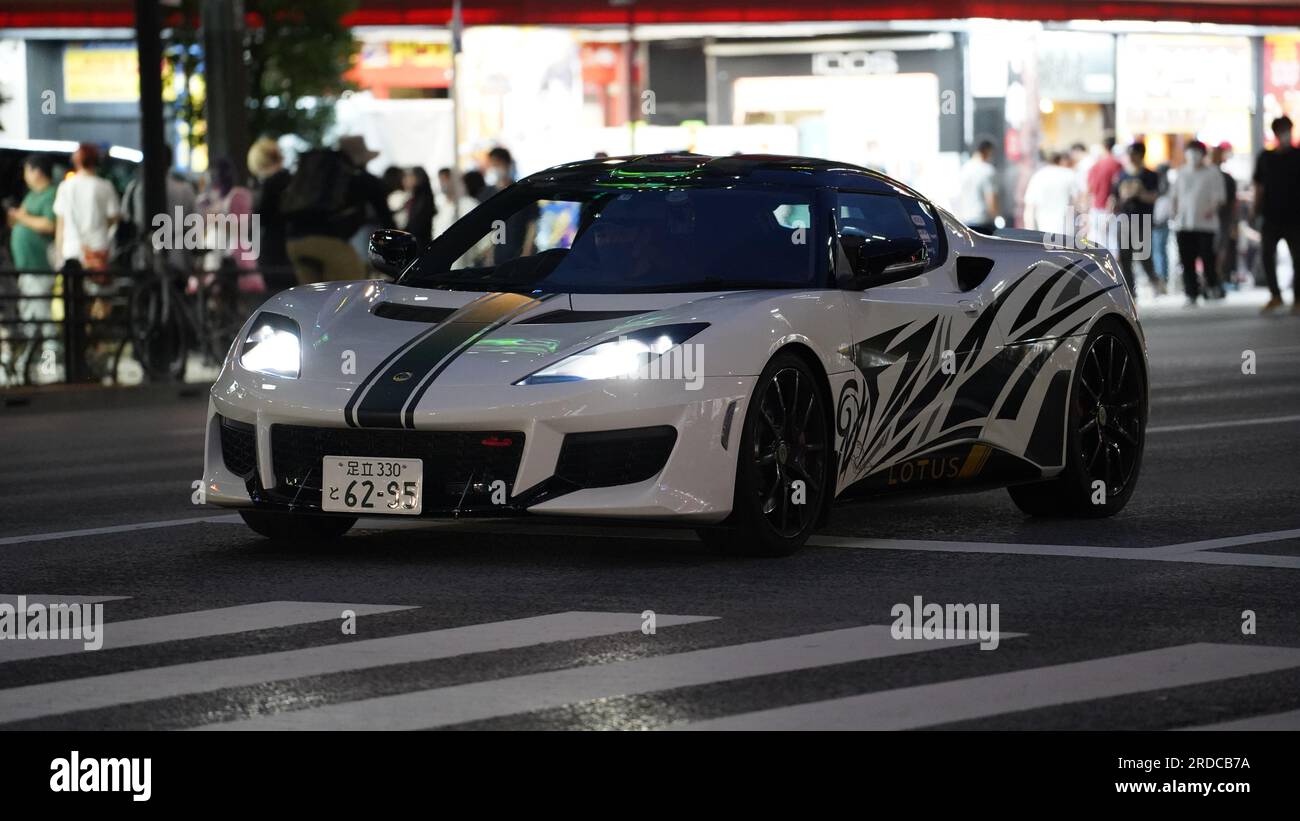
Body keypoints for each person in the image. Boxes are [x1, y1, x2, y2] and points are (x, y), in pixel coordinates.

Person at [283, 136, 393, 284]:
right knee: (354, 293)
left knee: (314, 299)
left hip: (294, 243)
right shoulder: (362, 180)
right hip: (329, 242)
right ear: (362, 158)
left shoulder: (317, 174)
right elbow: (385, 217)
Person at [6, 153, 60, 380]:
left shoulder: (50, 195)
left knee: (44, 320)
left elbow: (49, 224)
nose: (25, 176)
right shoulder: (32, 196)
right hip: (28, 268)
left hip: (41, 267)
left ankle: (49, 366)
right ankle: (29, 364)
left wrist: (21, 218)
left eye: (27, 170)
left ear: (37, 171)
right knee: (31, 319)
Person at [1252, 115, 1300, 314]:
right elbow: (1259, 186)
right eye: (1281, 131)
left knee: (1298, 258)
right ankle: (1275, 296)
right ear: (1275, 134)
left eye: (1287, 130)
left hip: (1296, 217)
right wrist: (1255, 209)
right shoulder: (1266, 157)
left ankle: (1298, 299)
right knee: (1266, 256)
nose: (1285, 134)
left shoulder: (1298, 155)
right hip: (1270, 216)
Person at [1171, 140, 1226, 307]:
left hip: (1205, 224)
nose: (1193, 156)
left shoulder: (1212, 172)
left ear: (1203, 154)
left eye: (1196, 152)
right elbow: (1174, 196)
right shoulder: (1181, 172)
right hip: (1183, 224)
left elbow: (1220, 197)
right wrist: (1174, 214)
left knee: (1207, 257)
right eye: (1190, 152)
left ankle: (1212, 286)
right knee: (1187, 259)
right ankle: (1191, 292)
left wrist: (1212, 208)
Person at [52, 143, 120, 272]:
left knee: (73, 289)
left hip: (71, 248)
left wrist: (58, 255)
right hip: (98, 247)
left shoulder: (65, 186)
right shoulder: (105, 186)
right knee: (98, 289)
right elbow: (114, 218)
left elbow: (61, 223)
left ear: (76, 161)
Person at [197, 156, 259, 293]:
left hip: (231, 250)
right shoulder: (210, 197)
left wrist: (216, 220)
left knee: (231, 289)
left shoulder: (237, 195)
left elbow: (241, 228)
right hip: (213, 249)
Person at [1111, 141, 1163, 297]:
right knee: (1125, 257)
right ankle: (1130, 291)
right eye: (1129, 154)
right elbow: (1116, 198)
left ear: (1141, 155)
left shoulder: (1149, 175)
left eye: (1133, 154)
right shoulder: (1121, 175)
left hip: (1143, 220)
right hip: (1125, 220)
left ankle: (1155, 282)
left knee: (1144, 256)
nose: (1131, 157)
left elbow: (1154, 197)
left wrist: (1138, 193)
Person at [246, 137, 294, 291]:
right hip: (294, 246)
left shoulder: (269, 185)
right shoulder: (293, 179)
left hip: (274, 251)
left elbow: (261, 218)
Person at [485, 146, 537, 261]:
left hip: (519, 254)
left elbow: (532, 224)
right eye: (493, 165)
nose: (495, 168)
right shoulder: (489, 194)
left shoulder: (522, 191)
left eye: (498, 164)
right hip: (498, 255)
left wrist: (526, 252)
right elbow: (489, 227)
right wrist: (489, 255)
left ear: (508, 164)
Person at [1022, 151, 1076, 238]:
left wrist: (1029, 230)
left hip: (1043, 230)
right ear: (1061, 160)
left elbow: (1029, 207)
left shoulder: (1038, 176)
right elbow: (1078, 203)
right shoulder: (1069, 174)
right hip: (1065, 231)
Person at [1210, 142, 1239, 292]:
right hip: (1208, 221)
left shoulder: (1227, 178)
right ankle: (1213, 280)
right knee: (1213, 250)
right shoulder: (1207, 176)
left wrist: (1233, 224)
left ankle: (1217, 279)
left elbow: (1233, 203)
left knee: (1220, 250)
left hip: (1223, 220)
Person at [1085, 136, 1121, 246]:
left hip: (1096, 208)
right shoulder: (1118, 165)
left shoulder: (1095, 166)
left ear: (1103, 146)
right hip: (1112, 209)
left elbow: (1089, 189)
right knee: (1113, 243)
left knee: (1097, 243)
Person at [957, 139, 999, 234]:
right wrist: (996, 217)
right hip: (984, 222)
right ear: (987, 150)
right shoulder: (988, 170)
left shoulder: (964, 169)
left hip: (966, 221)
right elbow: (991, 200)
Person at [401, 166, 436, 245]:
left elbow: (416, 226)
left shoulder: (423, 199)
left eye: (408, 177)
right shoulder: (415, 198)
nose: (404, 180)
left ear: (418, 178)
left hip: (420, 244)